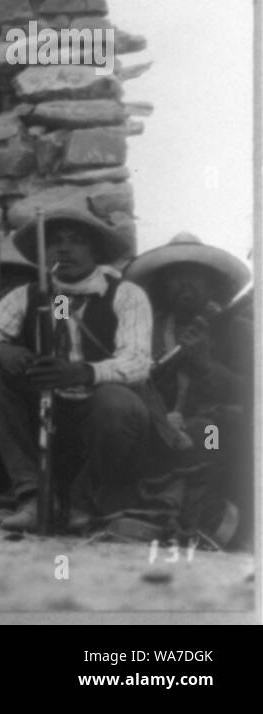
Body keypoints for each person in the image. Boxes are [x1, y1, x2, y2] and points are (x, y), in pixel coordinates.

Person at [0, 206, 176, 532]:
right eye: (55, 241)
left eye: (77, 241)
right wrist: (1, 350)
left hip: (103, 427)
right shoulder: (26, 296)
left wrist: (84, 372)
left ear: (97, 250)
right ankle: (32, 494)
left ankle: (82, 501)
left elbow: (137, 361)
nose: (64, 249)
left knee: (115, 401)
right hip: (48, 419)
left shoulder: (127, 295)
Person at [124, 233, 253, 544]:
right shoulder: (147, 329)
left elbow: (252, 391)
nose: (184, 284)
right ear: (162, 286)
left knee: (208, 440)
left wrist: (206, 366)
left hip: (216, 430)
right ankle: (161, 518)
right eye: (175, 277)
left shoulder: (240, 330)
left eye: (194, 276)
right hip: (156, 429)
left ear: (212, 284)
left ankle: (203, 522)